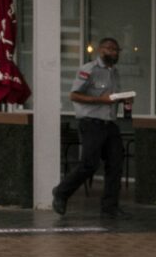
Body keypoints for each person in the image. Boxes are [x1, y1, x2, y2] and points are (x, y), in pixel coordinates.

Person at [52, 37, 127, 217]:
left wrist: (123, 99)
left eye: (116, 50)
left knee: (115, 164)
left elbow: (111, 98)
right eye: (110, 49)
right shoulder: (89, 69)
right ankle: (61, 192)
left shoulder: (115, 72)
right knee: (89, 164)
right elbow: (74, 95)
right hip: (91, 123)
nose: (114, 53)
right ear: (100, 50)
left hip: (110, 124)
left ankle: (110, 207)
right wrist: (101, 100)